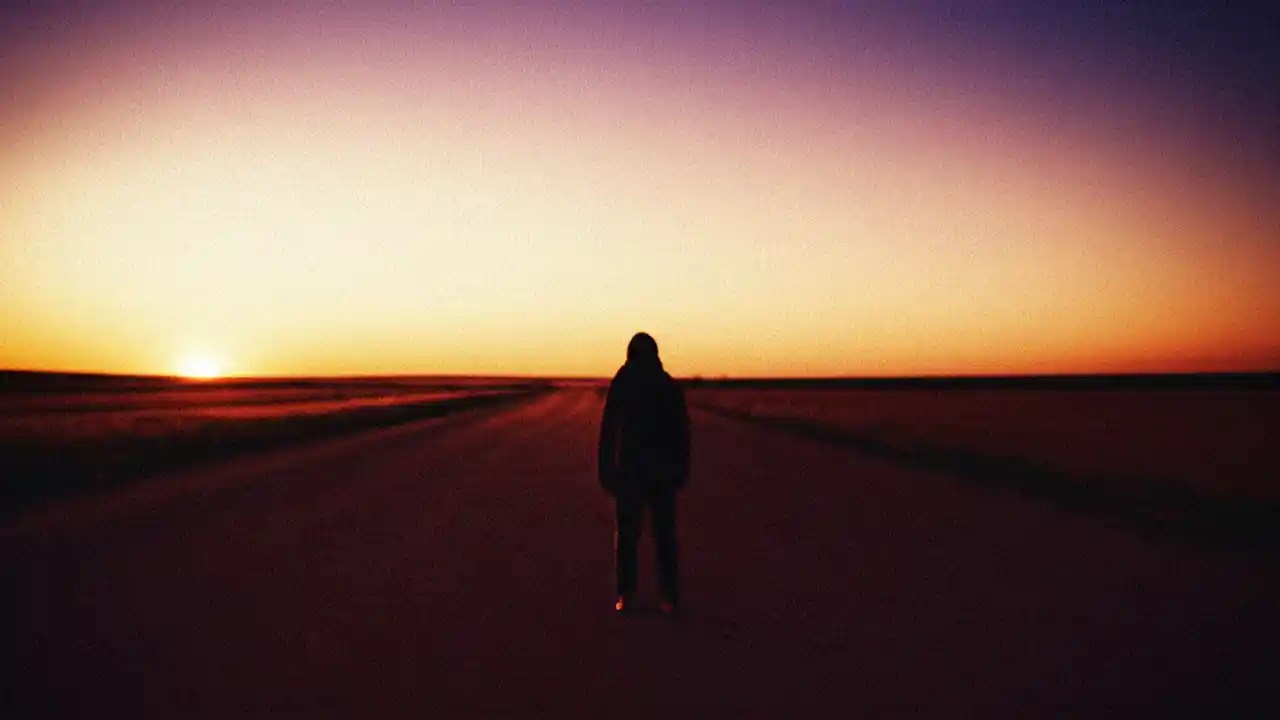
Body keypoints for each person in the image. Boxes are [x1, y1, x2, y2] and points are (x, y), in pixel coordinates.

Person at [598, 332, 690, 614]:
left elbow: (609, 431)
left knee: (638, 536)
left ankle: (636, 594)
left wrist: (605, 470)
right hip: (643, 472)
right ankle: (659, 596)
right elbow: (610, 429)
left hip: (644, 471)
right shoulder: (648, 384)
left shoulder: (651, 384)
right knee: (655, 536)